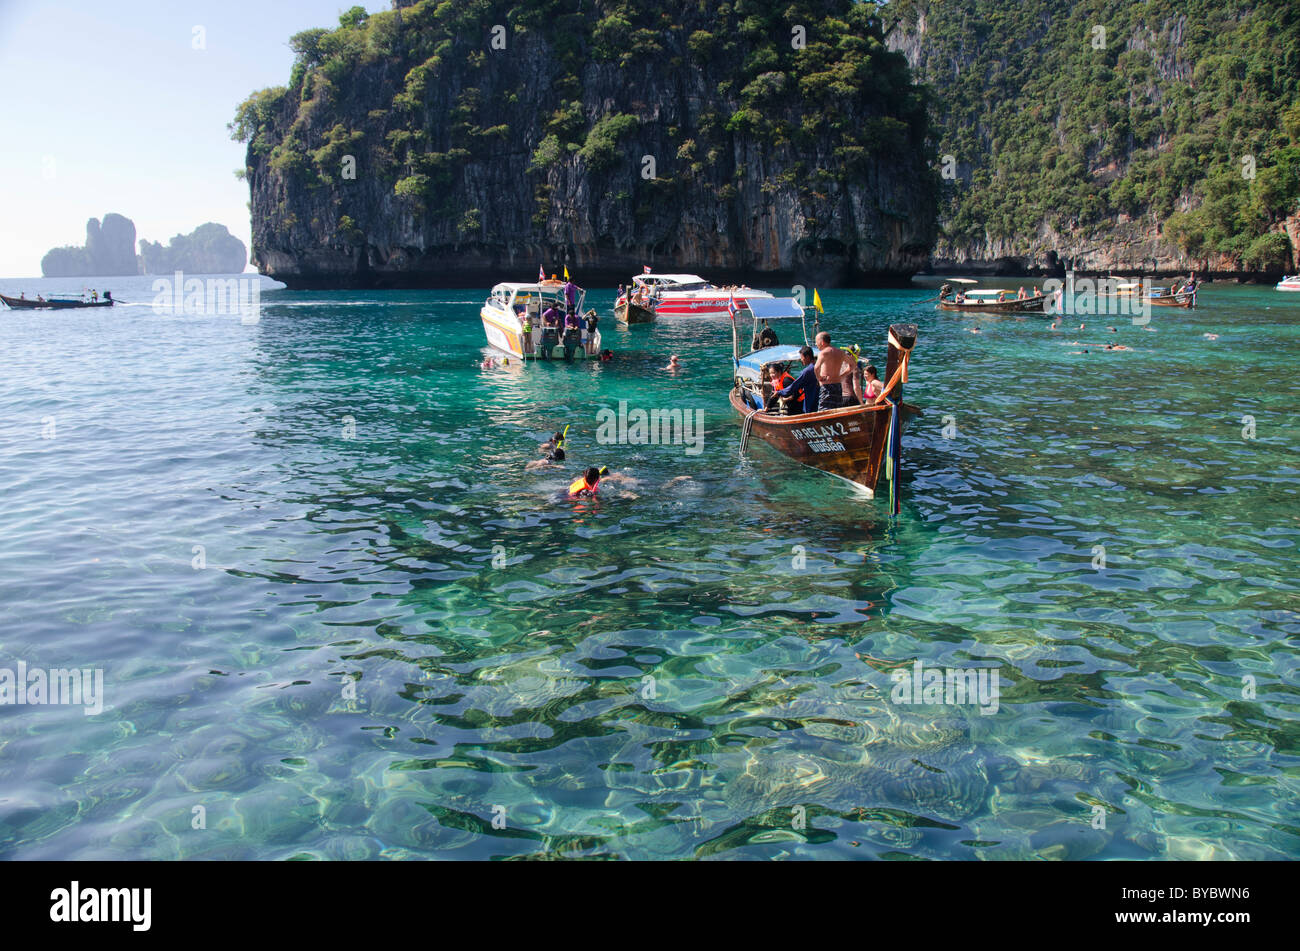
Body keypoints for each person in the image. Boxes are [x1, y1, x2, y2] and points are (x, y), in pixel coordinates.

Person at [814, 332, 856, 410]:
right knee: (836, 410)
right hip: (838, 385)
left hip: (827, 386)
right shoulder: (840, 352)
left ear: (822, 342)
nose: (816, 344)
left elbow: (816, 368)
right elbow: (853, 365)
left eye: (816, 342)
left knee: (824, 410)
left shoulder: (823, 353)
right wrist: (842, 375)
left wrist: (819, 378)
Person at [773, 346, 820, 415]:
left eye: (802, 358)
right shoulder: (819, 366)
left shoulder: (807, 371)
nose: (801, 360)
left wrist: (780, 392)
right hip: (819, 402)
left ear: (807, 357)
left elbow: (794, 386)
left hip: (811, 403)